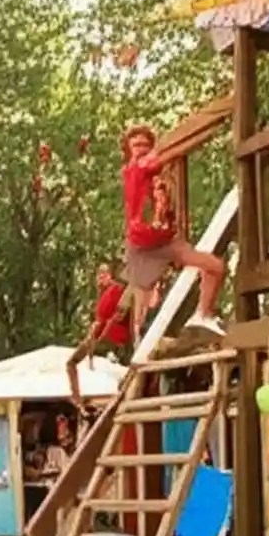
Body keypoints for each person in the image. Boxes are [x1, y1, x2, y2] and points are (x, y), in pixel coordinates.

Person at [119, 125, 225, 336]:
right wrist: (205, 131)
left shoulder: (161, 175)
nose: (141, 148)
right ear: (128, 150)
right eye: (136, 145)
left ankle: (203, 315)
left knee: (216, 267)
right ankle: (138, 345)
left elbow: (169, 161)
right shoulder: (134, 170)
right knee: (141, 304)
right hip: (141, 246)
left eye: (145, 145)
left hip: (166, 242)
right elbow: (171, 151)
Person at [67, 262, 132, 412]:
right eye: (99, 275)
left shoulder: (116, 289)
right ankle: (76, 397)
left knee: (92, 360)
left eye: (104, 275)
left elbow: (117, 314)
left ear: (110, 276)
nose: (101, 278)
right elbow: (99, 319)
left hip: (110, 335)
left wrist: (101, 334)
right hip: (99, 334)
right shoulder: (102, 294)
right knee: (71, 362)